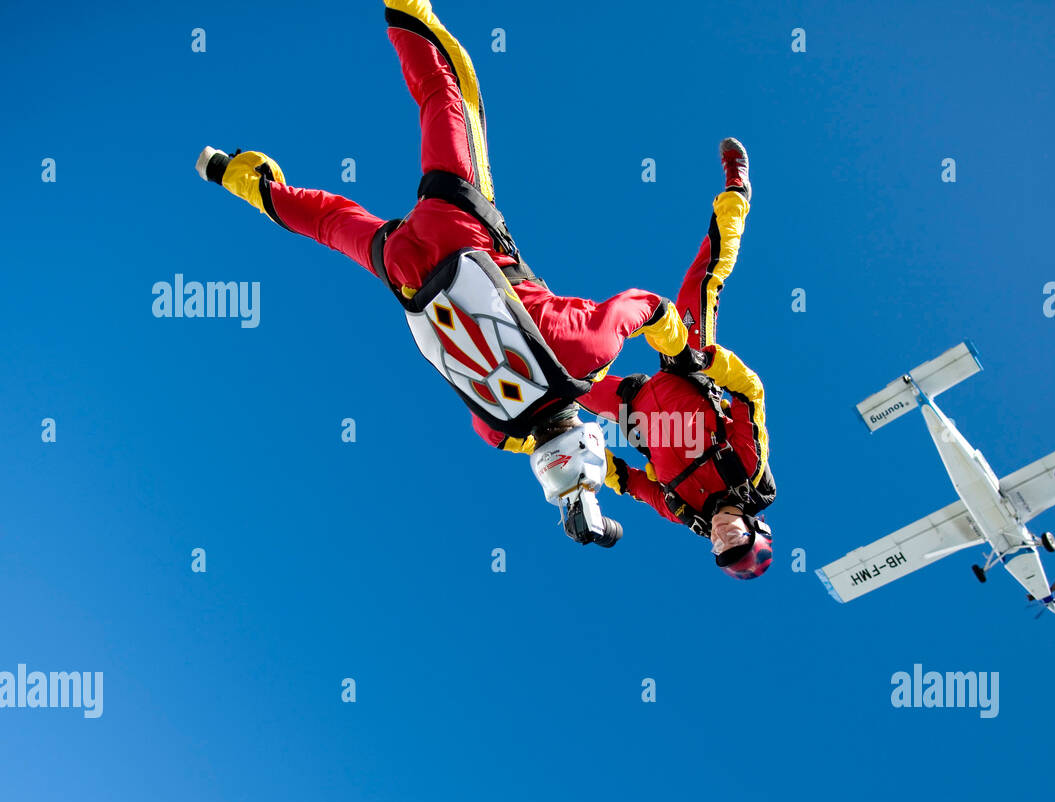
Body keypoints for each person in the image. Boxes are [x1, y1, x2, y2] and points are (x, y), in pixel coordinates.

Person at [195, 0, 690, 543]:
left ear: (589, 436)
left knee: (450, 91)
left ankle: (402, 7)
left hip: (462, 234)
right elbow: (514, 437)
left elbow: (646, 305)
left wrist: (679, 348)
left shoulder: (587, 354)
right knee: (330, 223)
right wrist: (581, 491)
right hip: (407, 276)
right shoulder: (495, 428)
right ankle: (237, 177)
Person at [583, 139, 776, 580]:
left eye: (722, 553)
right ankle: (736, 191)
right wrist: (705, 362)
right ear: (755, 529)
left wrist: (591, 462)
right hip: (686, 368)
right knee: (701, 280)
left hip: (631, 407)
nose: (724, 542)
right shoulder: (747, 473)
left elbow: (632, 484)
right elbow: (750, 392)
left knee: (558, 378)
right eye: (738, 545)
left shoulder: (681, 511)